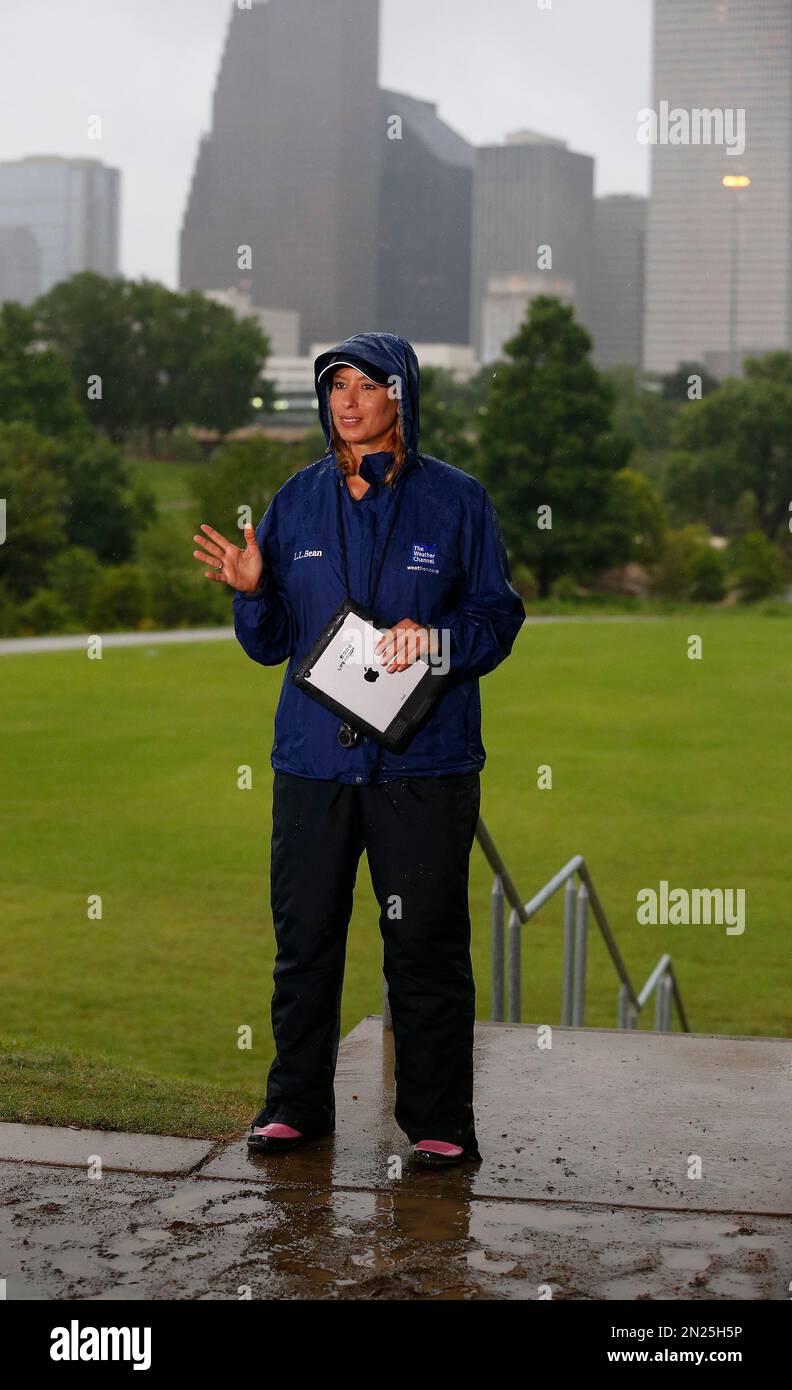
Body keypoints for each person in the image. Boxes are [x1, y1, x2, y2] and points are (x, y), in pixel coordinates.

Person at [192, 332, 524, 1168]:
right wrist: (248, 593)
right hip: (312, 766)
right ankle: (296, 1105)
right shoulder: (295, 500)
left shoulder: (458, 500)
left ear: (401, 395)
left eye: (365, 385)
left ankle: (440, 1120)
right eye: (334, 385)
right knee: (305, 938)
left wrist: (436, 640)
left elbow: (498, 618)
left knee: (426, 945)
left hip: (425, 766)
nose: (346, 400)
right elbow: (271, 644)